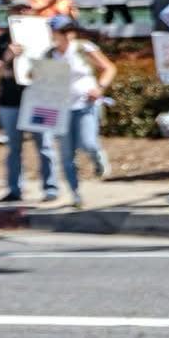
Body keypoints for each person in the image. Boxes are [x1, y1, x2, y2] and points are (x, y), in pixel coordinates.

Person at [0, 2, 61, 204]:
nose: (22, 12)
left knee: (44, 144)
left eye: (26, 8)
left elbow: (58, 66)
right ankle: (14, 189)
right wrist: (7, 57)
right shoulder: (3, 39)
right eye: (17, 9)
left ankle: (51, 187)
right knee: (14, 147)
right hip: (10, 100)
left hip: (40, 97)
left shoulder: (45, 34)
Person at [43, 15, 116, 209]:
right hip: (62, 109)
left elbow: (108, 68)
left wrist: (99, 87)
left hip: (85, 104)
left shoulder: (84, 48)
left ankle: (97, 158)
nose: (66, 35)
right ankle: (75, 194)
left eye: (69, 30)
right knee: (67, 155)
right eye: (61, 31)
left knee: (88, 141)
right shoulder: (49, 55)